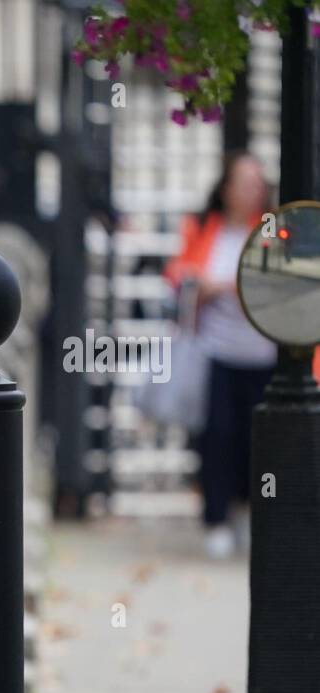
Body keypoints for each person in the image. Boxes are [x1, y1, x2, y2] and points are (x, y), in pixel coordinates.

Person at [163, 151, 274, 559]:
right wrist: (203, 284)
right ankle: (216, 517)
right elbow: (178, 275)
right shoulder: (203, 228)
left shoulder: (270, 230)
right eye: (244, 182)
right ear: (225, 189)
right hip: (216, 354)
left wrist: (227, 286)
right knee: (217, 437)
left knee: (258, 442)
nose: (252, 190)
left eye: (257, 183)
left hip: (263, 356)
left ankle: (250, 510)